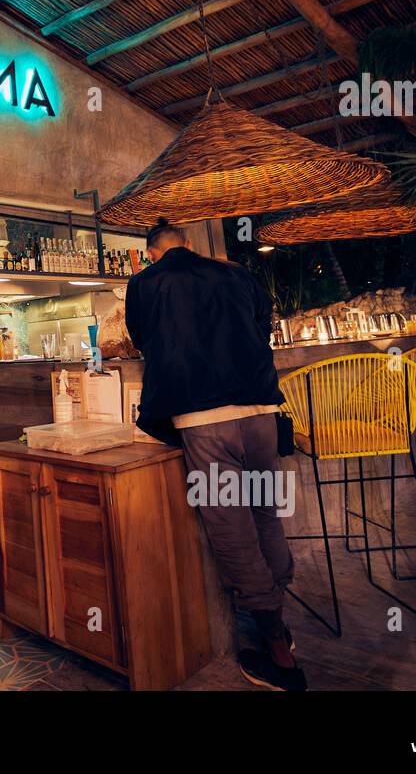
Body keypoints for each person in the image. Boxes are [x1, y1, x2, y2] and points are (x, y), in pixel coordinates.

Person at [125, 221, 304, 692]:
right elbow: (262, 325)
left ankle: (278, 654)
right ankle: (280, 617)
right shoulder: (236, 273)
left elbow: (143, 340)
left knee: (231, 528)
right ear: (189, 245)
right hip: (263, 412)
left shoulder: (144, 282)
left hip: (204, 423)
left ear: (151, 254)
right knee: (266, 513)